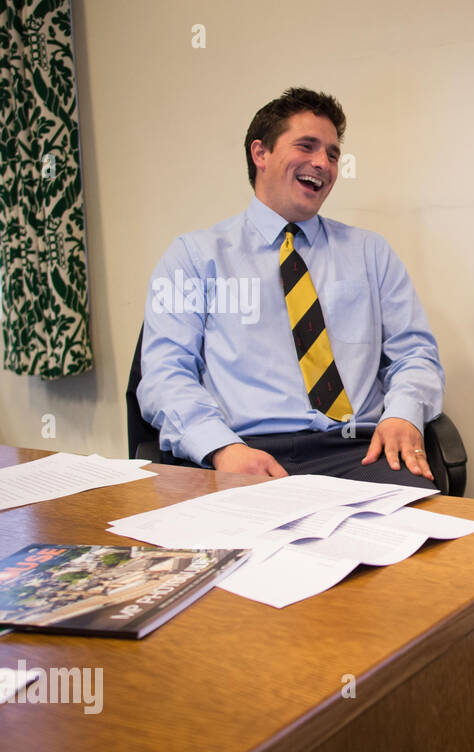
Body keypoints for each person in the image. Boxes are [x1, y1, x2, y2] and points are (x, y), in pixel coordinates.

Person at [139, 88, 444, 488]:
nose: (324, 163)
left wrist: (403, 414)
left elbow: (415, 354)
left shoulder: (370, 252)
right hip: (244, 451)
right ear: (260, 154)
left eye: (333, 154)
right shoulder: (195, 256)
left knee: (421, 536)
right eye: (308, 146)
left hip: (357, 451)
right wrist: (221, 449)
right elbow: (166, 375)